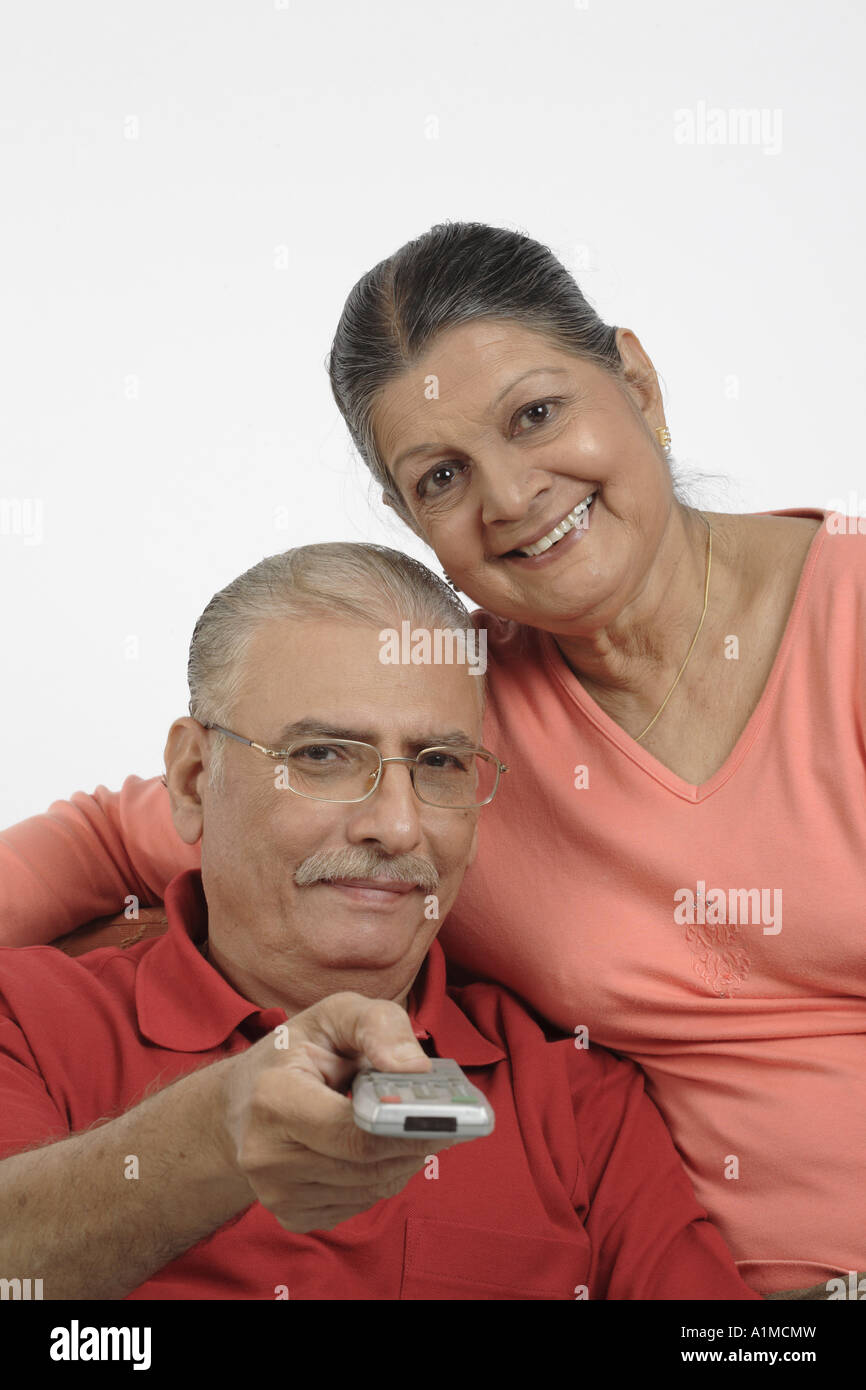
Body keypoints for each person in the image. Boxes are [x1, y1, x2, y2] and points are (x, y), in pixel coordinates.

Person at [1, 224, 863, 1298]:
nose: (508, 495)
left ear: (635, 380)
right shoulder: (438, 711)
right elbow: (132, 827)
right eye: (443, 474)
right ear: (410, 518)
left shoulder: (846, 621)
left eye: (535, 414)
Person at [0, 543, 762, 1302]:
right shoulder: (26, 1020)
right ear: (196, 779)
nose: (398, 828)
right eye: (324, 755)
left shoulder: (574, 1099)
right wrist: (215, 1135)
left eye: (437, 763)